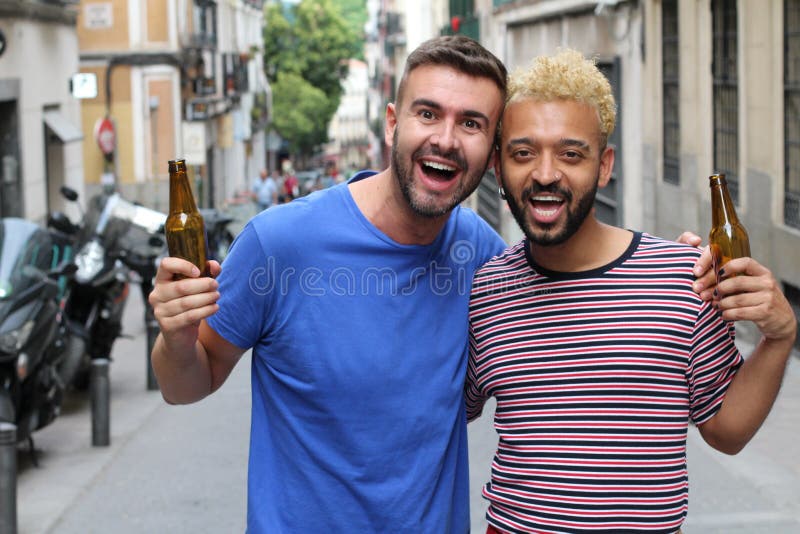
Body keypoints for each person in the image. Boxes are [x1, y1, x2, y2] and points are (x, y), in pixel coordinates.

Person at [149, 35, 508, 532]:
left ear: (492, 152)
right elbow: (185, 385)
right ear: (392, 123)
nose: (445, 139)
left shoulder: (484, 257)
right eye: (427, 113)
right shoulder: (278, 244)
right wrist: (176, 337)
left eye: (471, 123)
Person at [466, 49, 797, 534]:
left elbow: (726, 432)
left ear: (604, 166)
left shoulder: (683, 279)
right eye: (523, 153)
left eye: (571, 154)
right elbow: (440, 412)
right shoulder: (486, 289)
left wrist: (779, 337)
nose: (545, 173)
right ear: (498, 167)